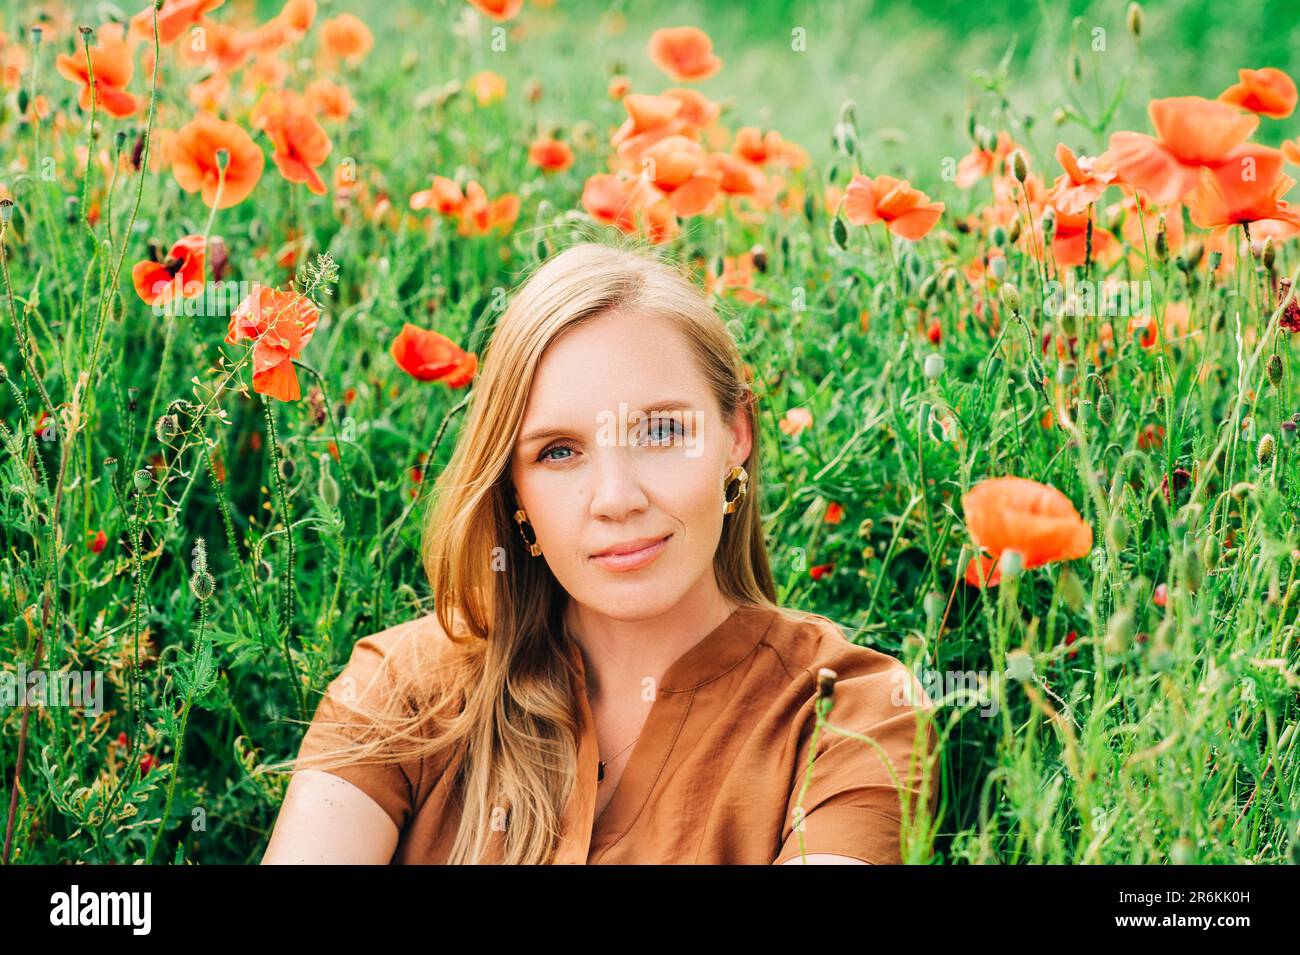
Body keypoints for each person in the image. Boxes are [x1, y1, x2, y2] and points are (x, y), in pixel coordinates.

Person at [261, 238, 938, 864]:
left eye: (662, 431)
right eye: (559, 451)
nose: (615, 497)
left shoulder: (849, 716)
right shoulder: (401, 690)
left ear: (736, 436)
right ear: (514, 488)